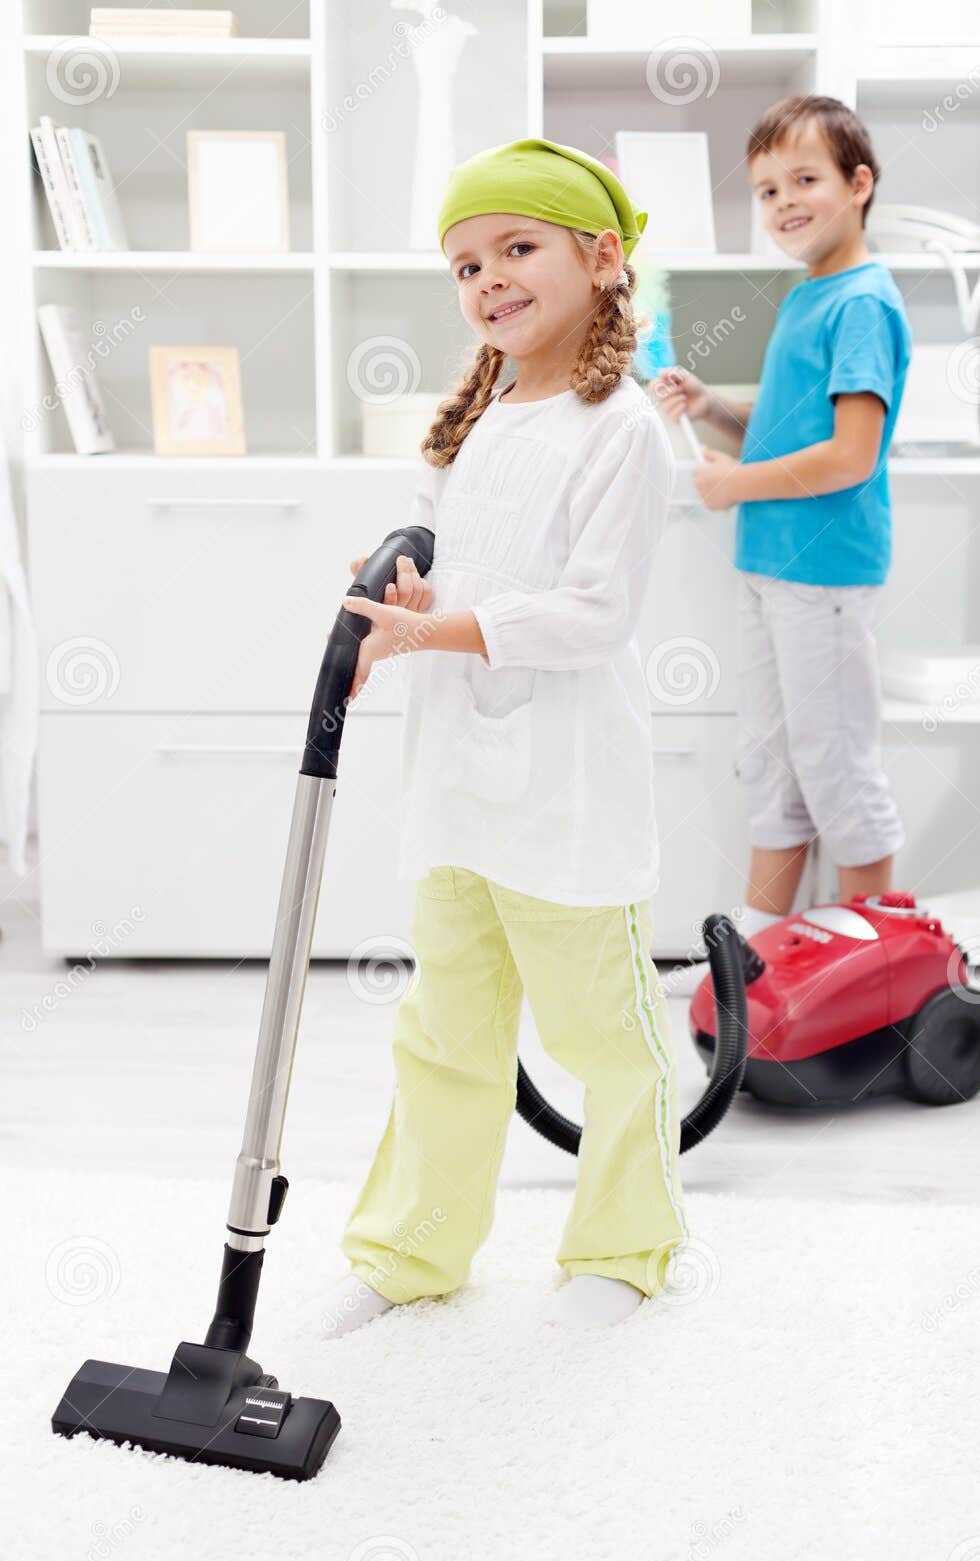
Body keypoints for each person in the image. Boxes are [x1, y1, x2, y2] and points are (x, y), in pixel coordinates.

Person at [305, 138, 683, 1336]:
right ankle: (411, 1248)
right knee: (446, 1029)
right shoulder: (475, 418)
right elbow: (440, 559)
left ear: (600, 257)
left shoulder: (618, 426)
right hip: (458, 776)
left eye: (516, 248)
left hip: (567, 785)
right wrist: (405, 609)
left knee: (600, 1033)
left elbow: (590, 613)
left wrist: (444, 632)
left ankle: (622, 1247)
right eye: (466, 263)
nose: (488, 278)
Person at [656, 95, 911, 937]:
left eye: (805, 180)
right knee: (772, 766)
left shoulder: (861, 303)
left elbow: (849, 456)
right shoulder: (809, 295)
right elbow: (788, 431)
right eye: (766, 190)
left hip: (824, 570)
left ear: (858, 184)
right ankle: (760, 965)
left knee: (834, 767)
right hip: (770, 563)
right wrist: (712, 408)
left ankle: (879, 971)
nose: (784, 203)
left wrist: (734, 487)